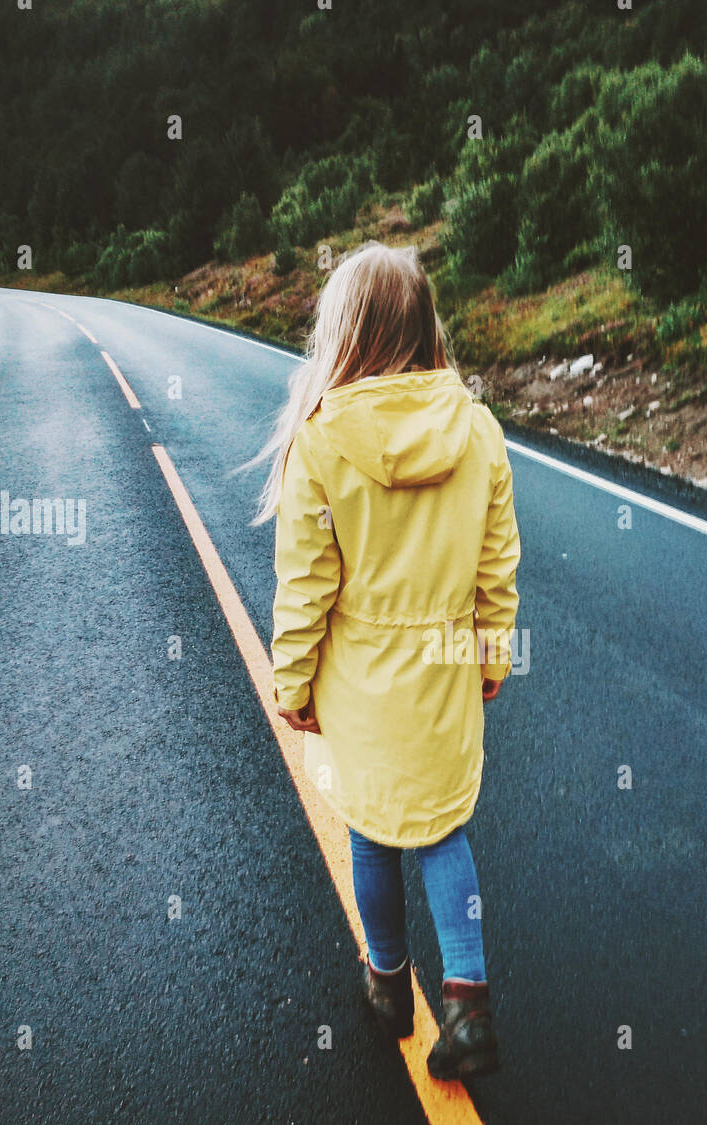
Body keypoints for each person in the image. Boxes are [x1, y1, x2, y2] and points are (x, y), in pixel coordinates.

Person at [249, 241, 521, 1080]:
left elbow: (306, 589)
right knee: (443, 829)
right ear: (423, 325)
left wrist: (290, 684)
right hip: (443, 672)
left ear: (345, 330)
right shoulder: (475, 428)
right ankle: (468, 1006)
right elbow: (495, 563)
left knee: (372, 832)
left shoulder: (322, 442)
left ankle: (387, 987)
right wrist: (489, 657)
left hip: (360, 679)